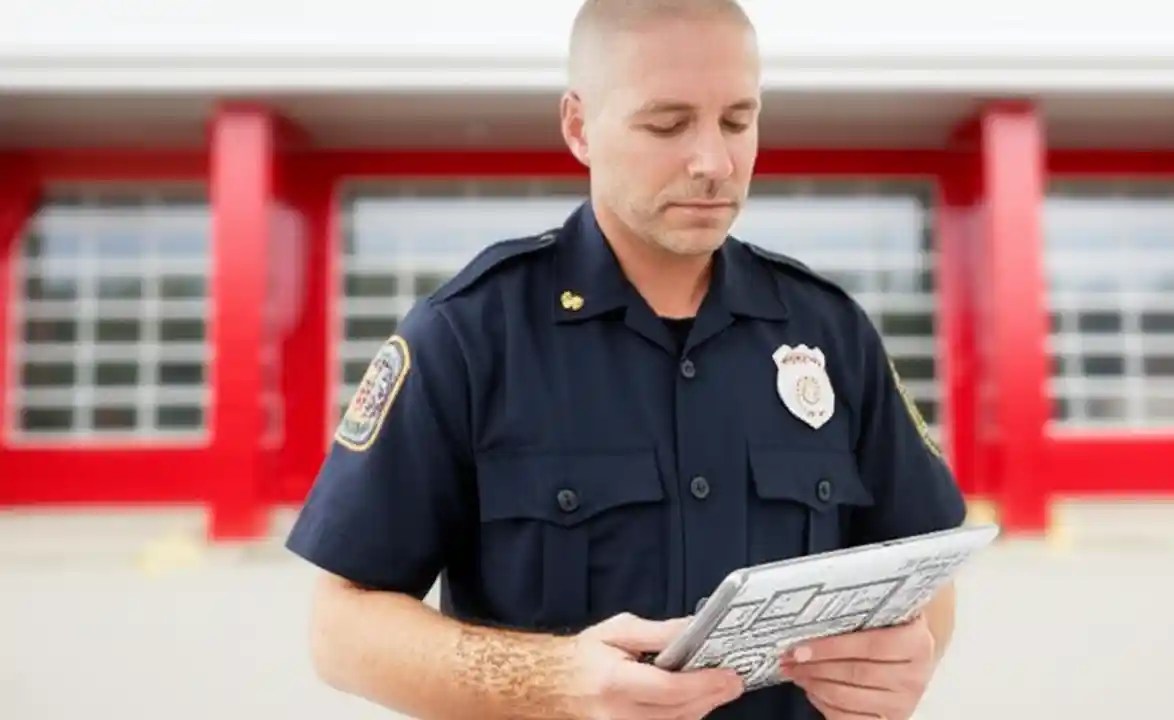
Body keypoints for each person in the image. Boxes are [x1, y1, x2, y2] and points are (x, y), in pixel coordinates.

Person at [285, 0, 969, 718]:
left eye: (738, 120)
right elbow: (341, 627)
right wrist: (553, 680)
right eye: (667, 124)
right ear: (579, 126)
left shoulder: (829, 331)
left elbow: (926, 569)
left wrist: (907, 653)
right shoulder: (470, 335)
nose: (714, 161)